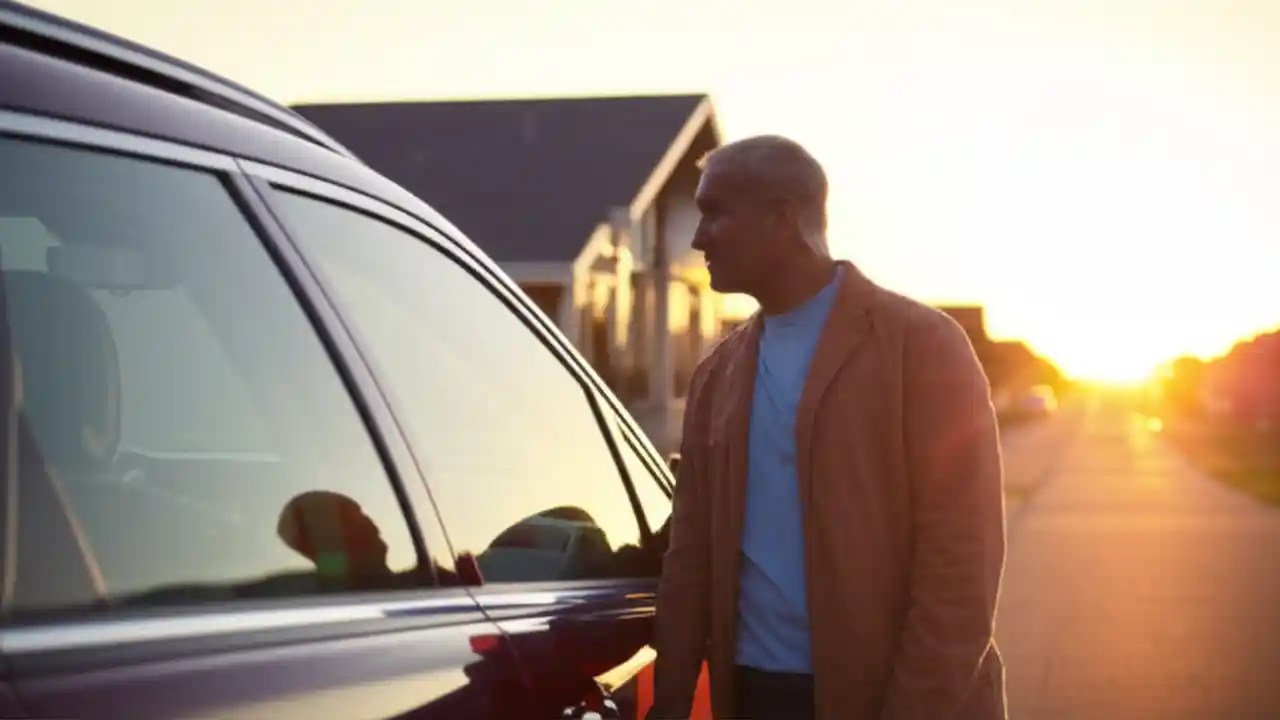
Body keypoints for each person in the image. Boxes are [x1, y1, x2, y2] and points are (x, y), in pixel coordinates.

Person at [649, 136, 1006, 719]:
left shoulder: (921, 346)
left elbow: (961, 566)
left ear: (782, 218)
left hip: (889, 695)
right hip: (756, 693)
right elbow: (690, 558)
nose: (698, 237)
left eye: (716, 212)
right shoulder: (717, 373)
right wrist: (669, 704)